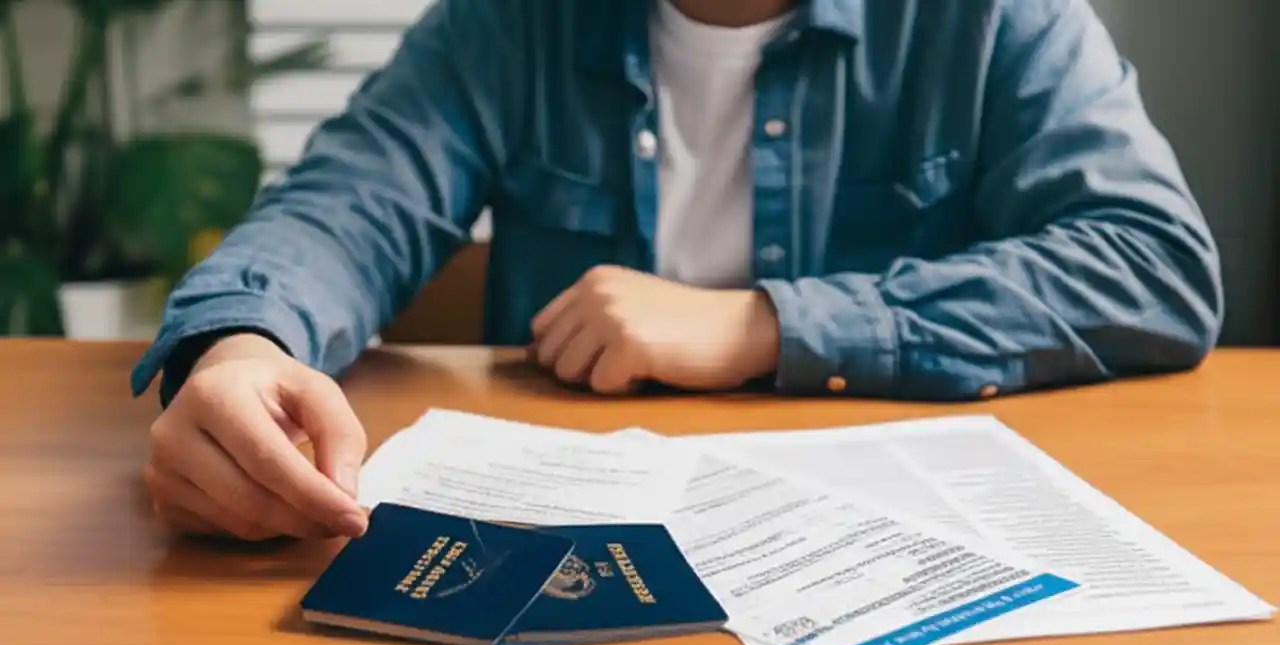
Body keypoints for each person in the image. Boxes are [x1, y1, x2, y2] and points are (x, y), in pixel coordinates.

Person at [136, 0, 1222, 541]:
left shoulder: (990, 18)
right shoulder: (507, 23)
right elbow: (342, 209)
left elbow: (1150, 262)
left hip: (893, 554)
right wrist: (240, 350)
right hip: (560, 567)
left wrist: (765, 324)